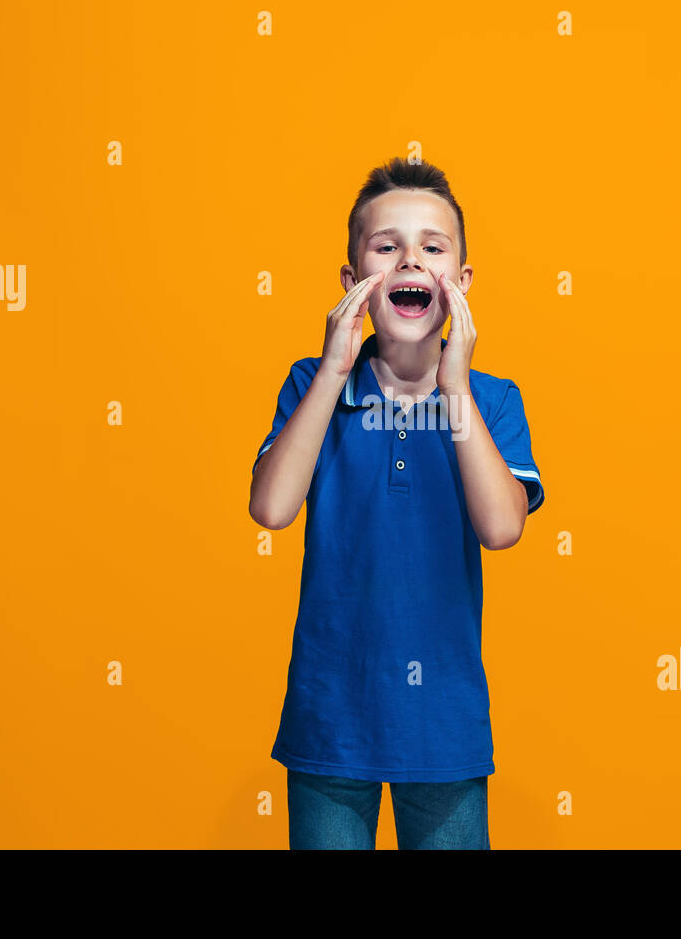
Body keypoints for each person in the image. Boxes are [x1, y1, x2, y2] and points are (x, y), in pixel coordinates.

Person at [249, 157, 544, 849]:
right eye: (387, 246)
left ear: (461, 285)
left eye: (432, 247)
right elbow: (271, 508)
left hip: (444, 726)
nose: (411, 257)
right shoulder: (314, 386)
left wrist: (456, 387)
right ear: (354, 284)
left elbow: (503, 528)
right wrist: (332, 369)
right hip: (330, 719)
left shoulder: (490, 400)